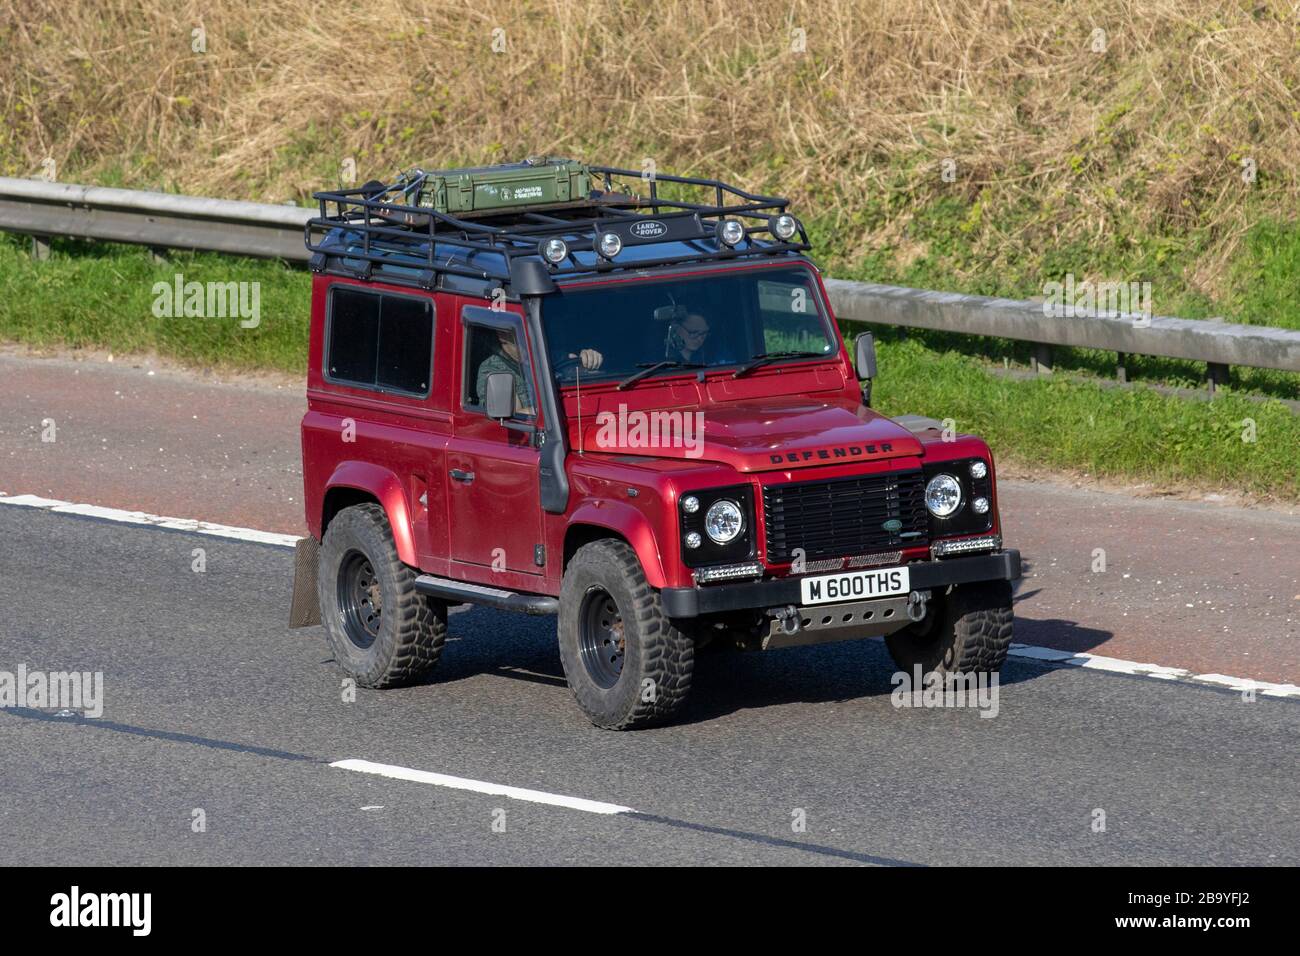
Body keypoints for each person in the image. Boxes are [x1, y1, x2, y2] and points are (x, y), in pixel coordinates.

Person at [476, 328, 535, 416]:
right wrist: (544, 411)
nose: (523, 348)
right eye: (506, 343)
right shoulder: (494, 368)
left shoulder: (551, 356)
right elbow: (514, 416)